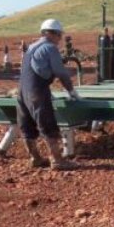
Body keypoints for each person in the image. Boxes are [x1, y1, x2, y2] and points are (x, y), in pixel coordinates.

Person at [17, 18, 81, 170]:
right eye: (59, 36)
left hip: (22, 91)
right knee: (47, 124)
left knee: (27, 125)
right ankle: (58, 160)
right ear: (53, 34)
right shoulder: (50, 48)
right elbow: (61, 73)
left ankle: (35, 158)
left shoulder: (31, 47)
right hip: (37, 90)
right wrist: (71, 91)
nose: (59, 40)